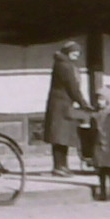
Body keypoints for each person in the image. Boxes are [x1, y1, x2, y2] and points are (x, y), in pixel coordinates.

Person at [45, 39, 89, 177]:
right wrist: (83, 104)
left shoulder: (63, 63)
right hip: (61, 105)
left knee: (62, 137)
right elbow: (72, 88)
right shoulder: (64, 66)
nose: (77, 55)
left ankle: (62, 166)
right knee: (60, 137)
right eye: (75, 52)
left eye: (78, 53)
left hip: (62, 104)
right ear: (68, 52)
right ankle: (59, 167)